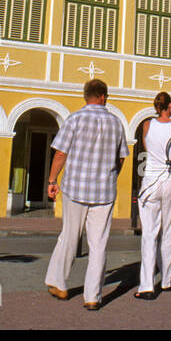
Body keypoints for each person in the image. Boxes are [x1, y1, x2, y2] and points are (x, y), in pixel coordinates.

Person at [44, 78, 128, 311]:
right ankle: (93, 297)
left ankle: (59, 283)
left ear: (87, 96)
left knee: (70, 236)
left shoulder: (75, 119)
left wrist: (52, 180)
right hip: (104, 191)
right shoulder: (116, 123)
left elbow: (61, 153)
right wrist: (111, 175)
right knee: (98, 244)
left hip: (76, 188)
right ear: (102, 96)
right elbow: (121, 158)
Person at [136, 91, 171, 299]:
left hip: (151, 182)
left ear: (156, 106)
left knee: (149, 234)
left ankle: (146, 286)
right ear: (170, 106)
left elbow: (148, 150)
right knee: (170, 232)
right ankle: (167, 281)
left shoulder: (147, 125)